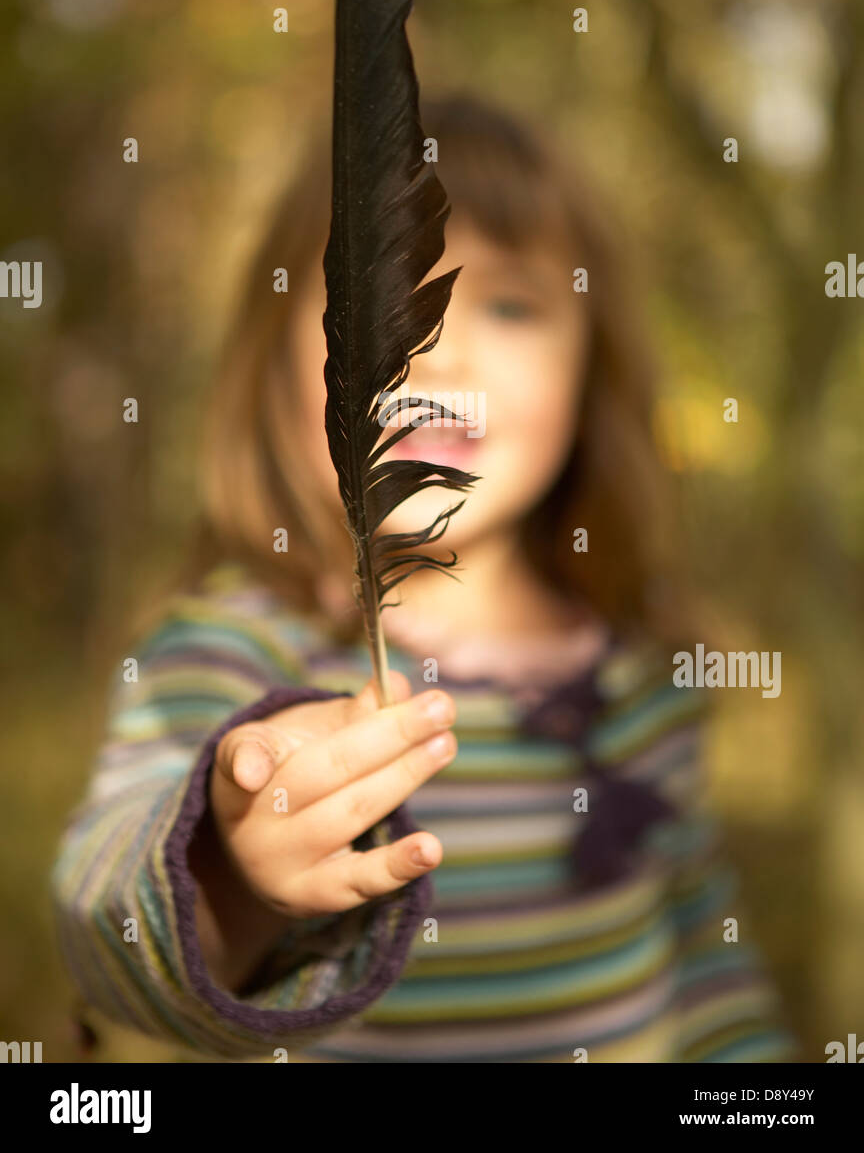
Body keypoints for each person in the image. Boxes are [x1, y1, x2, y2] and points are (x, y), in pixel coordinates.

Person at [51, 93, 800, 1063]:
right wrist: (231, 874)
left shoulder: (639, 667)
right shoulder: (235, 653)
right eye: (381, 294)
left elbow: (702, 965)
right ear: (277, 366)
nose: (435, 347)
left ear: (592, 374)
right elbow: (98, 918)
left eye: (512, 304)